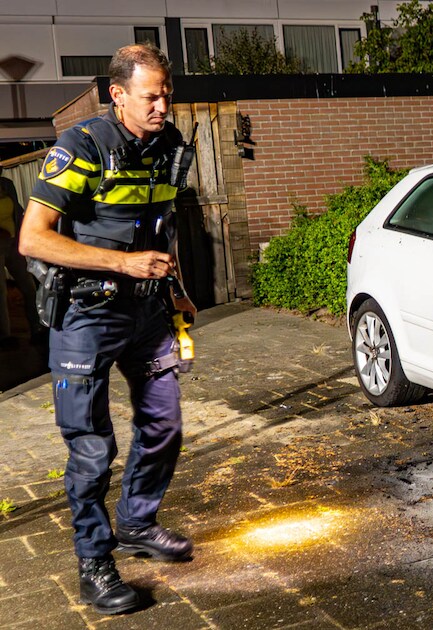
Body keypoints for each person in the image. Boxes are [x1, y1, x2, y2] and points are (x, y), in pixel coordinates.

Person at [19, 43, 196, 616]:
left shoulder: (168, 145)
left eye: (167, 93)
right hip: (86, 317)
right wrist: (121, 263)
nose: (163, 105)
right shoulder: (82, 147)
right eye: (151, 96)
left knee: (164, 425)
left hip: (149, 313)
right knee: (93, 450)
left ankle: (137, 524)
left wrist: (177, 290)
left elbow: (161, 228)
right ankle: (95, 563)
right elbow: (33, 238)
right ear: (117, 95)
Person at [0, 171, 40, 347]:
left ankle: (37, 329)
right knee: (1, 293)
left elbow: (17, 208)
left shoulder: (7, 184)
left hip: (14, 242)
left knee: (29, 287)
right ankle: (4, 336)